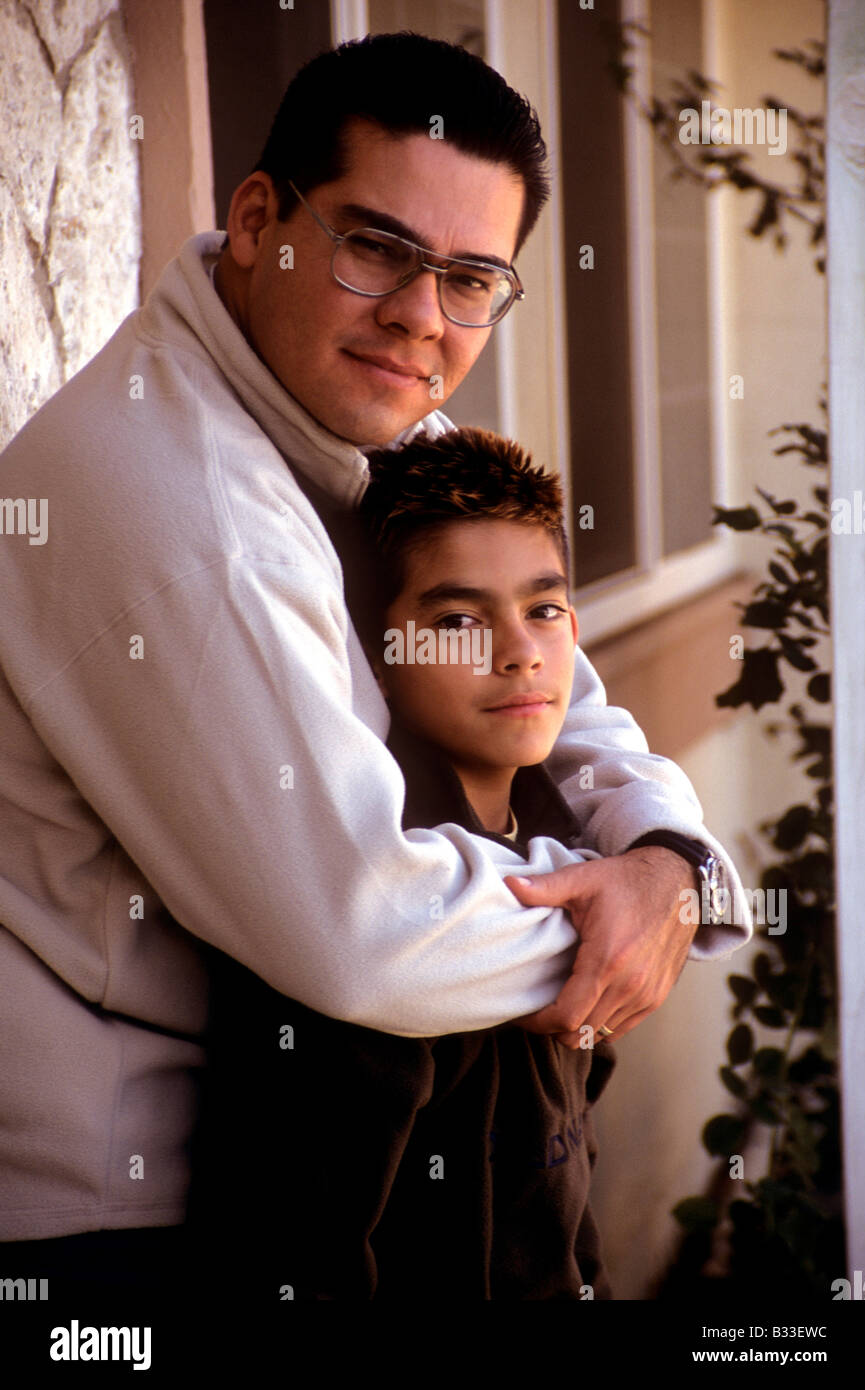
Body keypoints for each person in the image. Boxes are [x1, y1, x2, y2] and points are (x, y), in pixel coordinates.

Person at [0, 32, 749, 1298]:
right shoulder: (182, 509)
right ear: (256, 218)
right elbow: (367, 933)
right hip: (122, 1225)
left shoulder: (367, 409)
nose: (420, 317)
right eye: (375, 248)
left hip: (305, 1146)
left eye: (470, 279)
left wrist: (666, 860)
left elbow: (574, 708)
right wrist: (613, 916)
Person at [193, 426, 617, 1300]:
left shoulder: (582, 843)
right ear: (376, 658)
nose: (518, 651)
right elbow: (299, 1247)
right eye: (458, 620)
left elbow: (569, 1168)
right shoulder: (372, 894)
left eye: (542, 608)